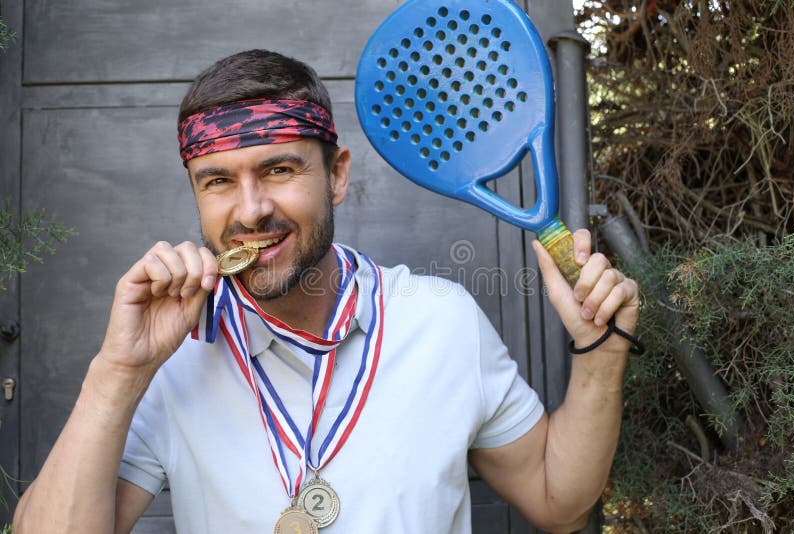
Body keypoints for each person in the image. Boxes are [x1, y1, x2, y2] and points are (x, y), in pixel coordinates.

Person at [13, 50, 640, 534]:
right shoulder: (171, 357)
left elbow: (559, 502)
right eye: (217, 182)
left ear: (336, 176)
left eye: (279, 169)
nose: (251, 210)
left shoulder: (443, 322)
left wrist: (601, 358)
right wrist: (118, 372)